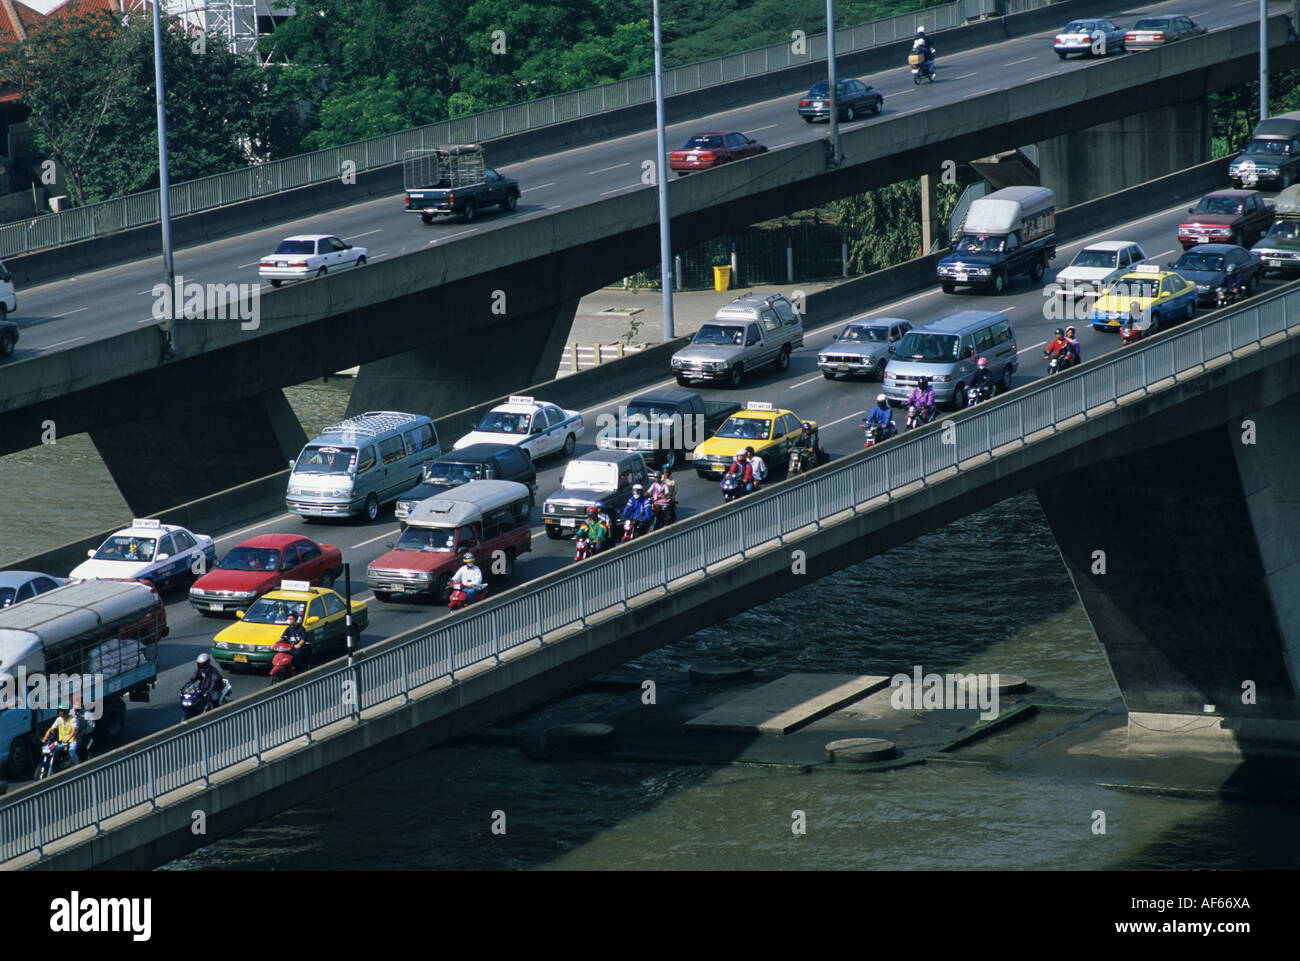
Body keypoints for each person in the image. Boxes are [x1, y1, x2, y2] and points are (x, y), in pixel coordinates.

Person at [41, 701, 80, 766]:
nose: (61, 713)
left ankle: (77, 765)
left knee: (71, 751)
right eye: (60, 711)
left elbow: (74, 730)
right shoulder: (59, 719)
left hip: (72, 741)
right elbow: (50, 729)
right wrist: (45, 738)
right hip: (61, 741)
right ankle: (56, 764)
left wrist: (68, 739)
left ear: (66, 711)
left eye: (62, 711)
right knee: (52, 750)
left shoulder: (73, 719)